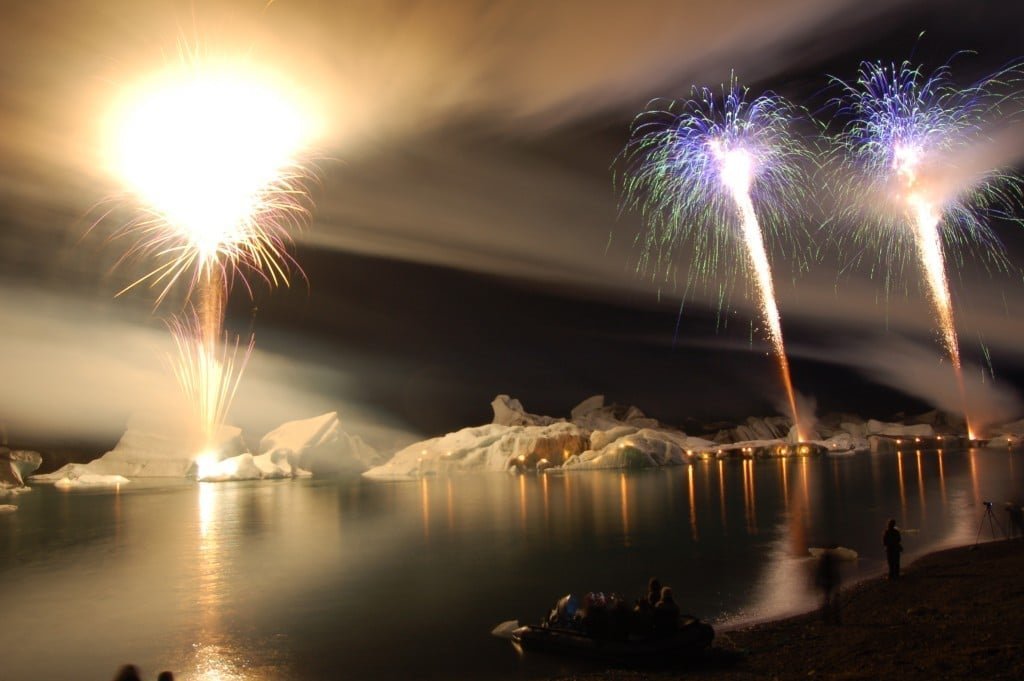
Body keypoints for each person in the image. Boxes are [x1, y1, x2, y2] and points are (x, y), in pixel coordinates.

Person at [815, 548, 841, 624]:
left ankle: (826, 619)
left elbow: (819, 573)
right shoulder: (832, 561)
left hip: (825, 583)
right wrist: (838, 583)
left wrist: (816, 583)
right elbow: (836, 573)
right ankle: (836, 619)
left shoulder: (822, 562)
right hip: (831, 583)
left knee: (826, 601)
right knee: (834, 601)